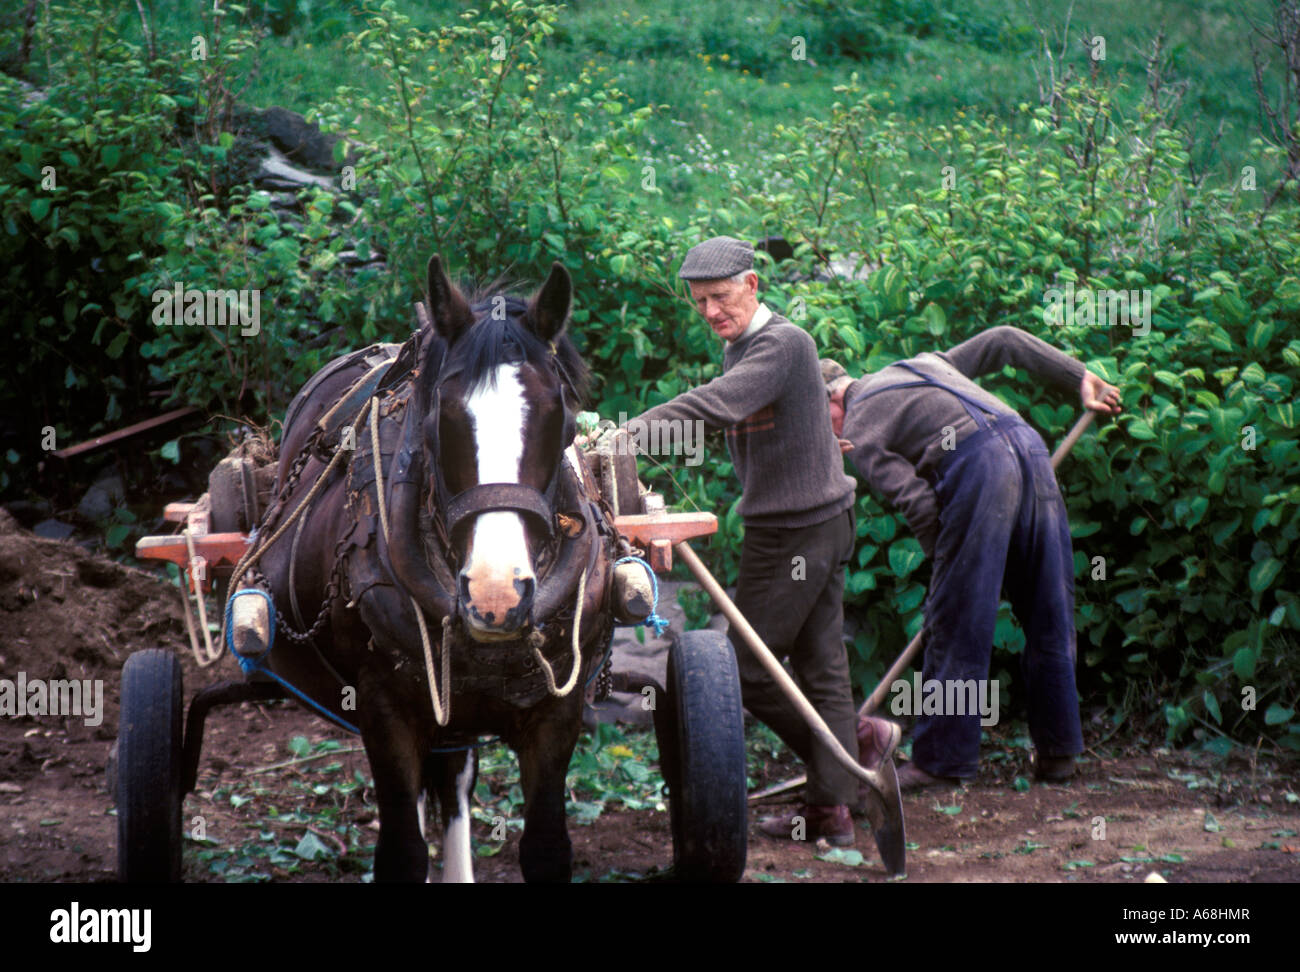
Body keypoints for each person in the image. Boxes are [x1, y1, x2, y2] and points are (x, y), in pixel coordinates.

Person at [623, 236, 896, 847]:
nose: (711, 312)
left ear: (752, 285)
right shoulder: (746, 348)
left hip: (797, 535)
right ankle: (834, 809)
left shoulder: (782, 344)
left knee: (744, 669)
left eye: (720, 297)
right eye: (699, 303)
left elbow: (715, 407)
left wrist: (623, 437)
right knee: (822, 670)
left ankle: (850, 753)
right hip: (815, 522)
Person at [821, 326, 1121, 788]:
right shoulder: (924, 362)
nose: (833, 442)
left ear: (832, 403)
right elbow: (1004, 339)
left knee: (956, 618)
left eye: (825, 428)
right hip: (1029, 447)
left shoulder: (859, 423)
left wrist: (949, 575)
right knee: (1048, 609)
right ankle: (1058, 754)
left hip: (978, 466)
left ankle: (941, 763)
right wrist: (1079, 376)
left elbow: (918, 503)